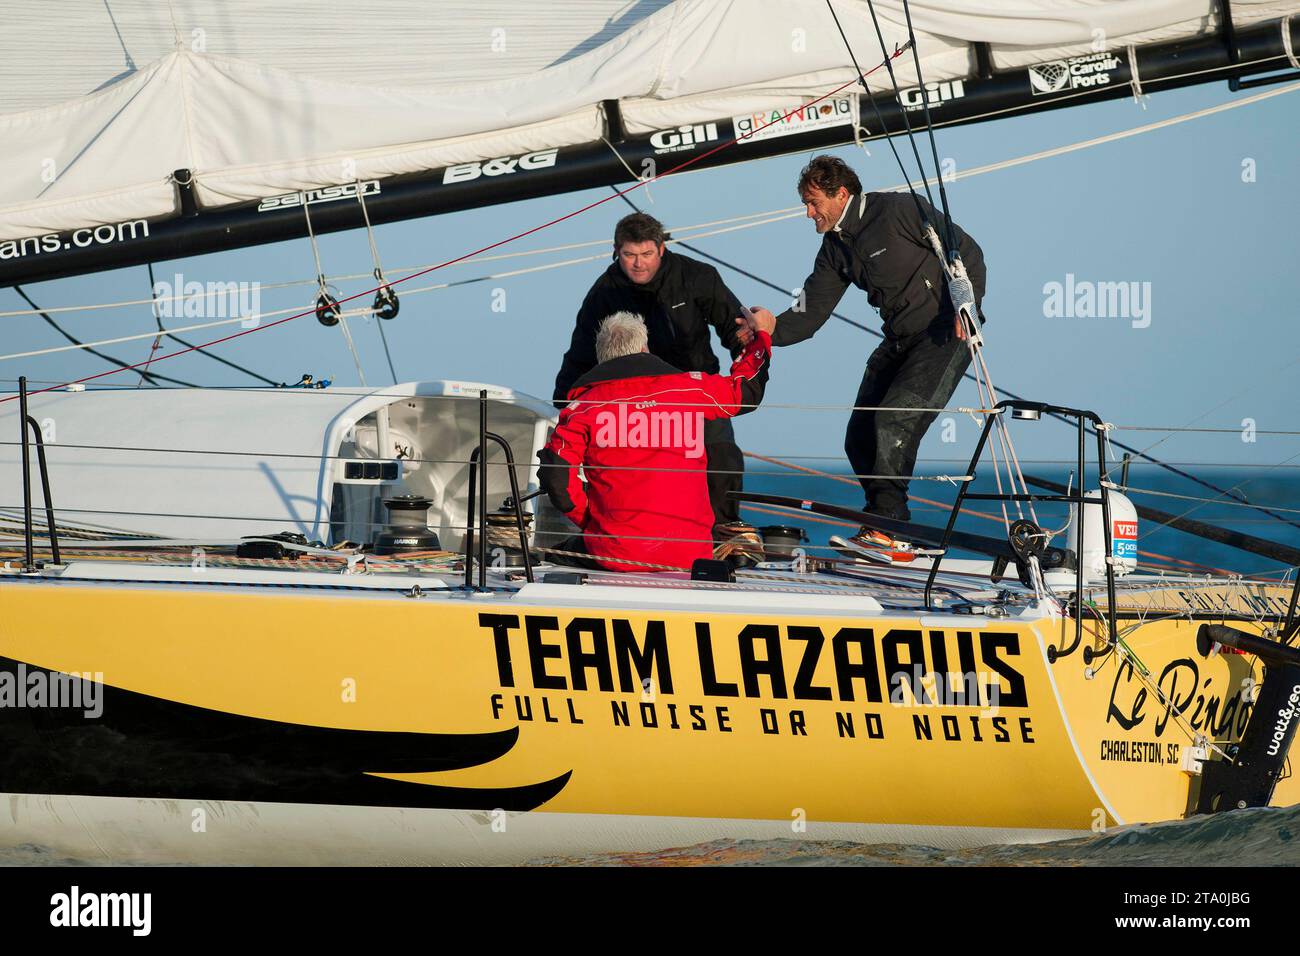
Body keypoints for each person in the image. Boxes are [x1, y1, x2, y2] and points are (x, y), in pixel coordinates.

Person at [744, 155, 986, 539]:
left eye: (813, 203)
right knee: (858, 437)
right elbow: (810, 313)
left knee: (893, 420)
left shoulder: (897, 210)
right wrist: (770, 328)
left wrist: (967, 306)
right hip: (899, 339)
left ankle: (888, 526)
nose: (808, 213)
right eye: (806, 205)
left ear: (841, 194)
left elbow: (966, 253)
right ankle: (882, 523)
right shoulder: (834, 248)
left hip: (945, 333)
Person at [552, 212, 765, 545]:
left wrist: (753, 345)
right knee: (636, 469)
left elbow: (734, 329)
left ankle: (725, 529)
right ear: (616, 252)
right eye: (629, 255)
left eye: (646, 254)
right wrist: (565, 405)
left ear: (661, 249)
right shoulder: (603, 292)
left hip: (690, 390)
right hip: (630, 397)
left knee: (721, 451)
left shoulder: (697, 276)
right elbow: (580, 351)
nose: (638, 263)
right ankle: (632, 534)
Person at [539, 311, 772, 573]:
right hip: (691, 554)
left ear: (602, 356)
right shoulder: (689, 390)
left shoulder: (584, 407)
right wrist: (760, 337)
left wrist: (591, 521)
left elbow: (557, 476)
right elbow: (746, 390)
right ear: (644, 348)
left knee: (547, 555)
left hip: (616, 554)